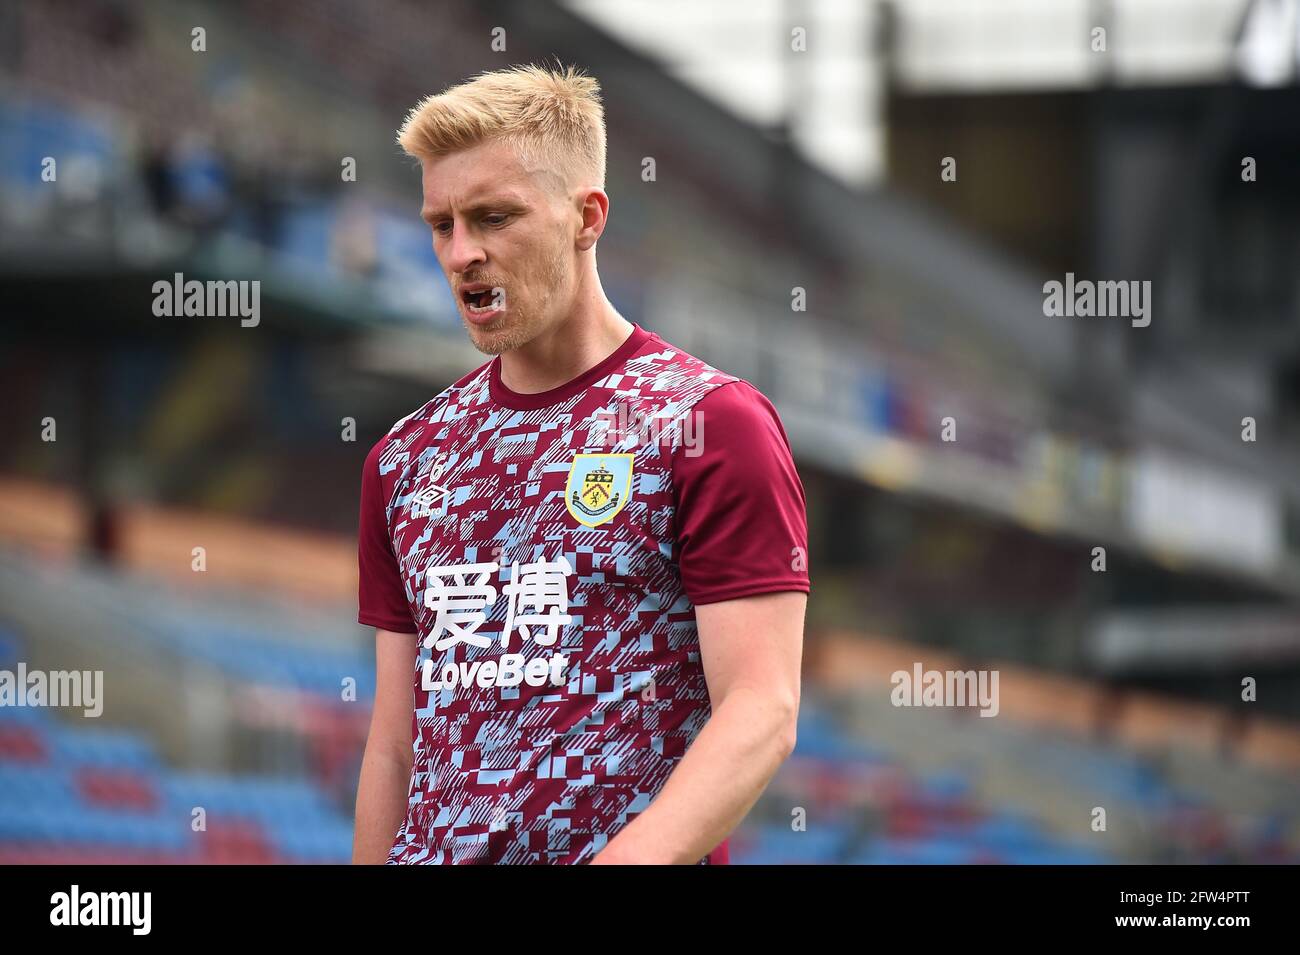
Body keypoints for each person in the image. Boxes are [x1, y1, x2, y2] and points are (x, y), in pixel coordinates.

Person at [352, 63, 809, 865]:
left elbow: (761, 707)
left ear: (587, 216)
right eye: (441, 224)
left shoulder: (708, 425)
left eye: (494, 217)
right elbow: (393, 744)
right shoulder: (404, 458)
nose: (462, 253)